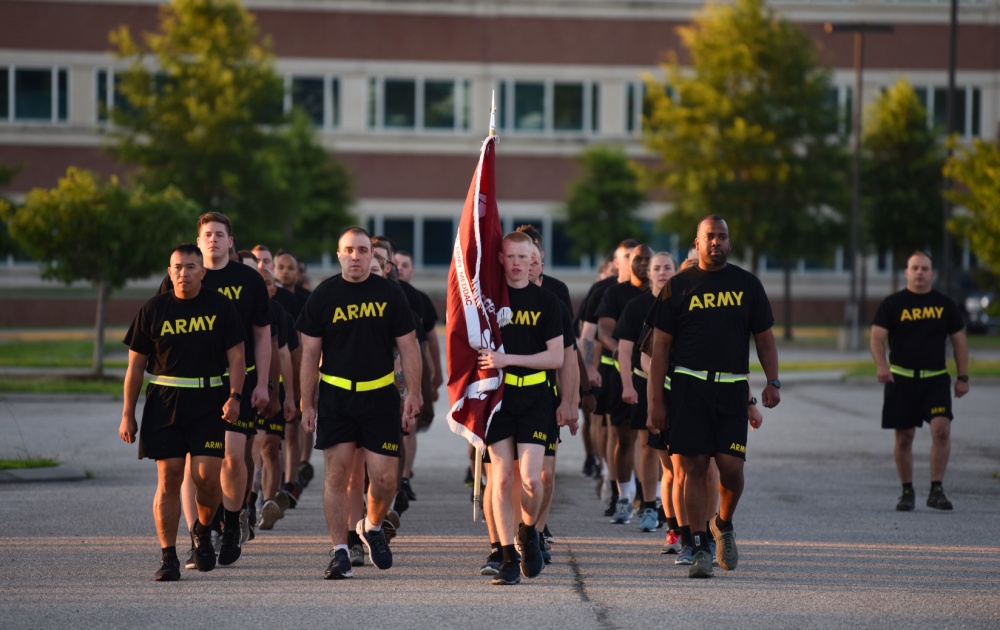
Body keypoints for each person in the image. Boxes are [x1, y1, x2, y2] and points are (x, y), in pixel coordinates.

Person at [647, 215, 780, 579]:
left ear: (729, 241)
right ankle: (700, 545)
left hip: (733, 387)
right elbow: (660, 349)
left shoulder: (747, 284)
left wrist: (773, 382)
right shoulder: (678, 286)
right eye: (710, 237)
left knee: (731, 469)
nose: (716, 242)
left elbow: (765, 338)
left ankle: (723, 523)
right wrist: (656, 401)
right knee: (692, 467)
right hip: (690, 387)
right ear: (697, 241)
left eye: (722, 236)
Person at [297, 227, 422, 580]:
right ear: (338, 254)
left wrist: (412, 392)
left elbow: (410, 345)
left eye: (363, 250)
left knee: (385, 479)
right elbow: (309, 354)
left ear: (373, 255)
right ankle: (339, 552)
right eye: (349, 250)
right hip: (337, 396)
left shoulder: (390, 293)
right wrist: (308, 403)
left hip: (380, 394)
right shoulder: (323, 296)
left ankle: (371, 525)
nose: (355, 256)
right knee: (336, 475)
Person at [119, 243, 245, 581]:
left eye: (191, 267)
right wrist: (127, 413)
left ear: (202, 272)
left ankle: (203, 531)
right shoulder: (153, 309)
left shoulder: (221, 308)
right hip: (165, 400)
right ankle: (168, 556)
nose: (183, 273)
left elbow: (237, 358)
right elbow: (135, 368)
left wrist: (235, 396)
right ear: (169, 271)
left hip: (208, 400)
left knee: (206, 479)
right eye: (177, 267)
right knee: (169, 477)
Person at [478, 231, 565, 586]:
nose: (516, 263)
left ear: (534, 260)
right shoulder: (486, 302)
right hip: (498, 399)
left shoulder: (548, 302)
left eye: (523, 257)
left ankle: (528, 532)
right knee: (501, 478)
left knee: (531, 479)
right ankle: (508, 558)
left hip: (535, 399)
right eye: (510, 257)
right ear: (500, 259)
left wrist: (507, 359)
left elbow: (556, 356)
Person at [870, 251, 969, 511]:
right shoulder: (893, 304)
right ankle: (907, 491)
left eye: (925, 268)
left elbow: (959, 342)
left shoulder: (945, 305)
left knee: (941, 430)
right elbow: (877, 338)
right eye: (915, 268)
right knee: (904, 437)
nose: (920, 272)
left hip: (935, 380)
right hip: (901, 379)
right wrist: (882, 365)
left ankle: (937, 489)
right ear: (907, 272)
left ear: (932, 273)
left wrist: (962, 378)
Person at [597, 243, 652, 525]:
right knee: (625, 437)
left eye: (647, 259)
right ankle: (622, 497)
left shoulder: (664, 295)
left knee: (652, 442)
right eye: (637, 259)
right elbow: (604, 330)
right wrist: (620, 349)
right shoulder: (615, 293)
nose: (643, 263)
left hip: (655, 379)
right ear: (628, 262)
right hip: (623, 376)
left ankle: (649, 499)